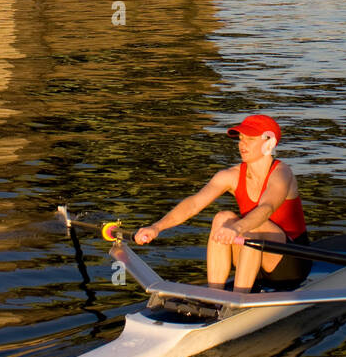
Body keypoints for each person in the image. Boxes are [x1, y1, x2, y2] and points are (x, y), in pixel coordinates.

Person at [133, 114, 310, 291]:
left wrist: (236, 228)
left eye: (250, 139)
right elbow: (194, 204)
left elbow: (266, 208)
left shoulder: (281, 173)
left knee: (254, 227)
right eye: (240, 139)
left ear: (269, 143)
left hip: (292, 263)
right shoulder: (230, 175)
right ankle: (215, 296)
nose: (242, 144)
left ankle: (237, 298)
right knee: (222, 218)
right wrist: (156, 227)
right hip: (253, 255)